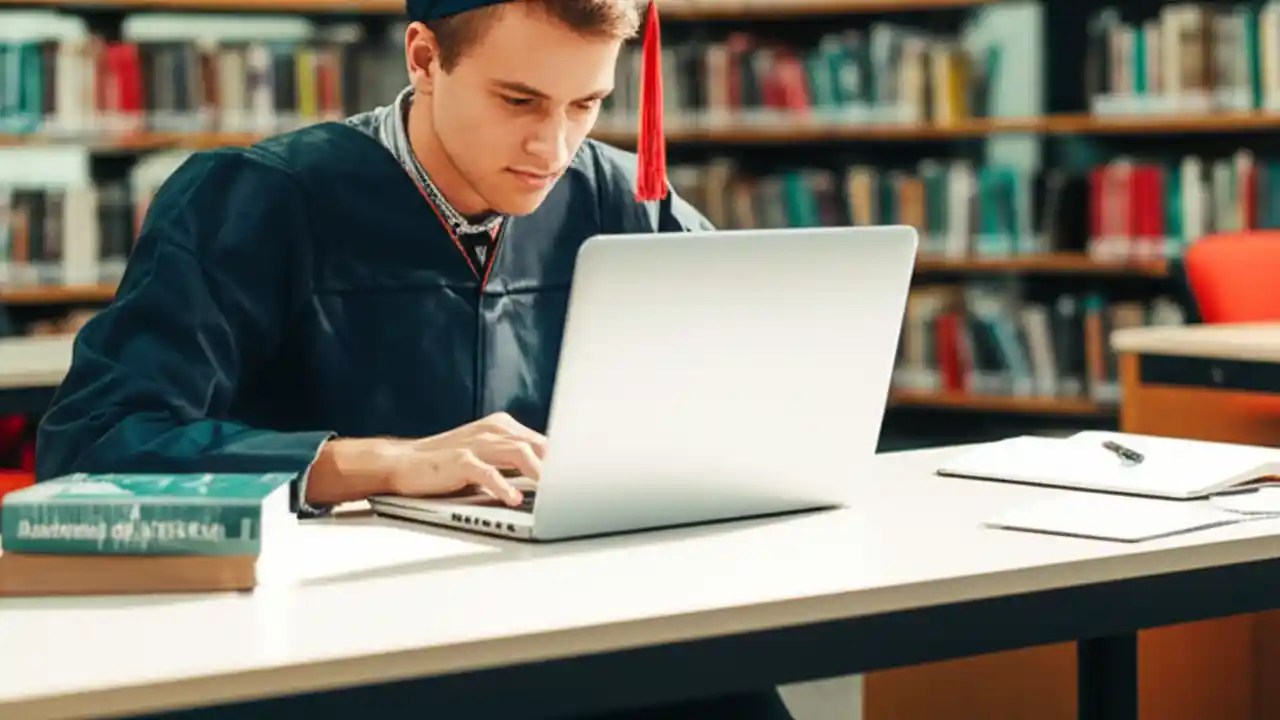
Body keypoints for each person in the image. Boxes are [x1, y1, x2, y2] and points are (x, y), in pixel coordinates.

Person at [35, 0, 796, 717]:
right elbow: (93, 443)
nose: (554, 147)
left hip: (579, 616)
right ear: (425, 58)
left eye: (586, 104)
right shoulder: (260, 201)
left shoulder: (626, 204)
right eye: (519, 101)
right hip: (327, 641)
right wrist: (380, 466)